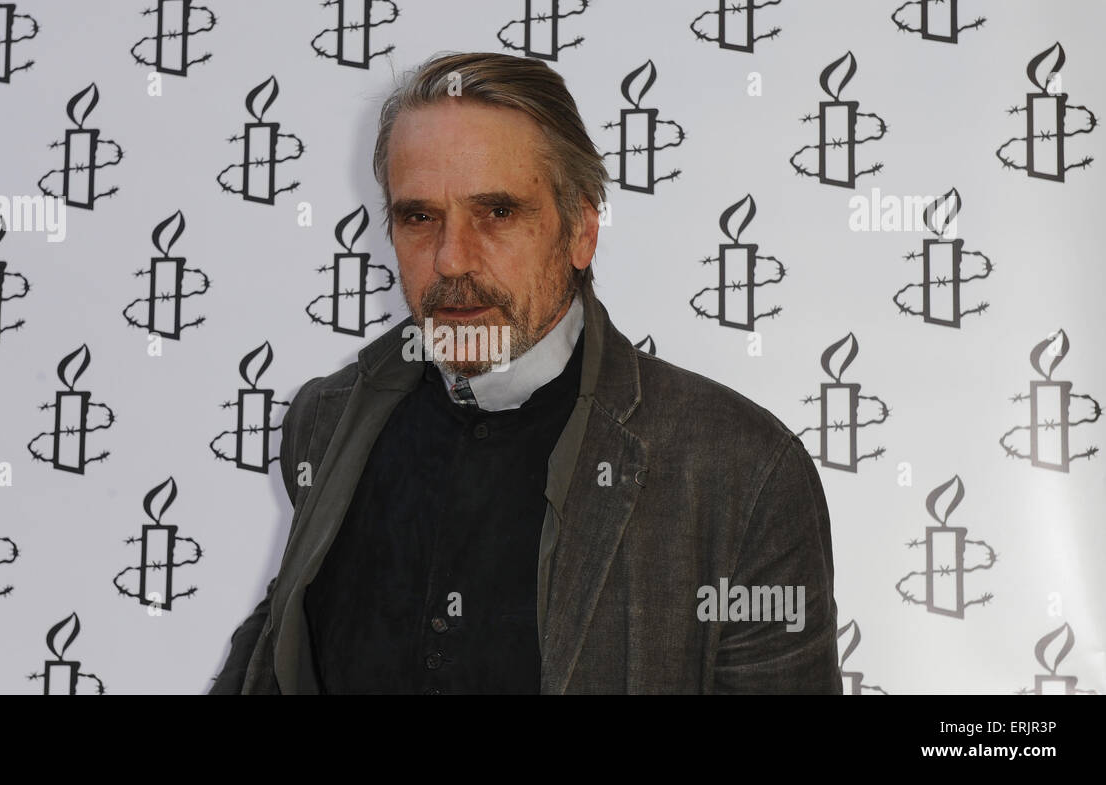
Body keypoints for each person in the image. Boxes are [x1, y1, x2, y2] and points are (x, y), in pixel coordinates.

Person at [209, 51, 839, 694]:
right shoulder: (325, 421)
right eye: (419, 217)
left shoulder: (741, 470)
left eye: (499, 213)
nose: (452, 260)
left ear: (581, 230)